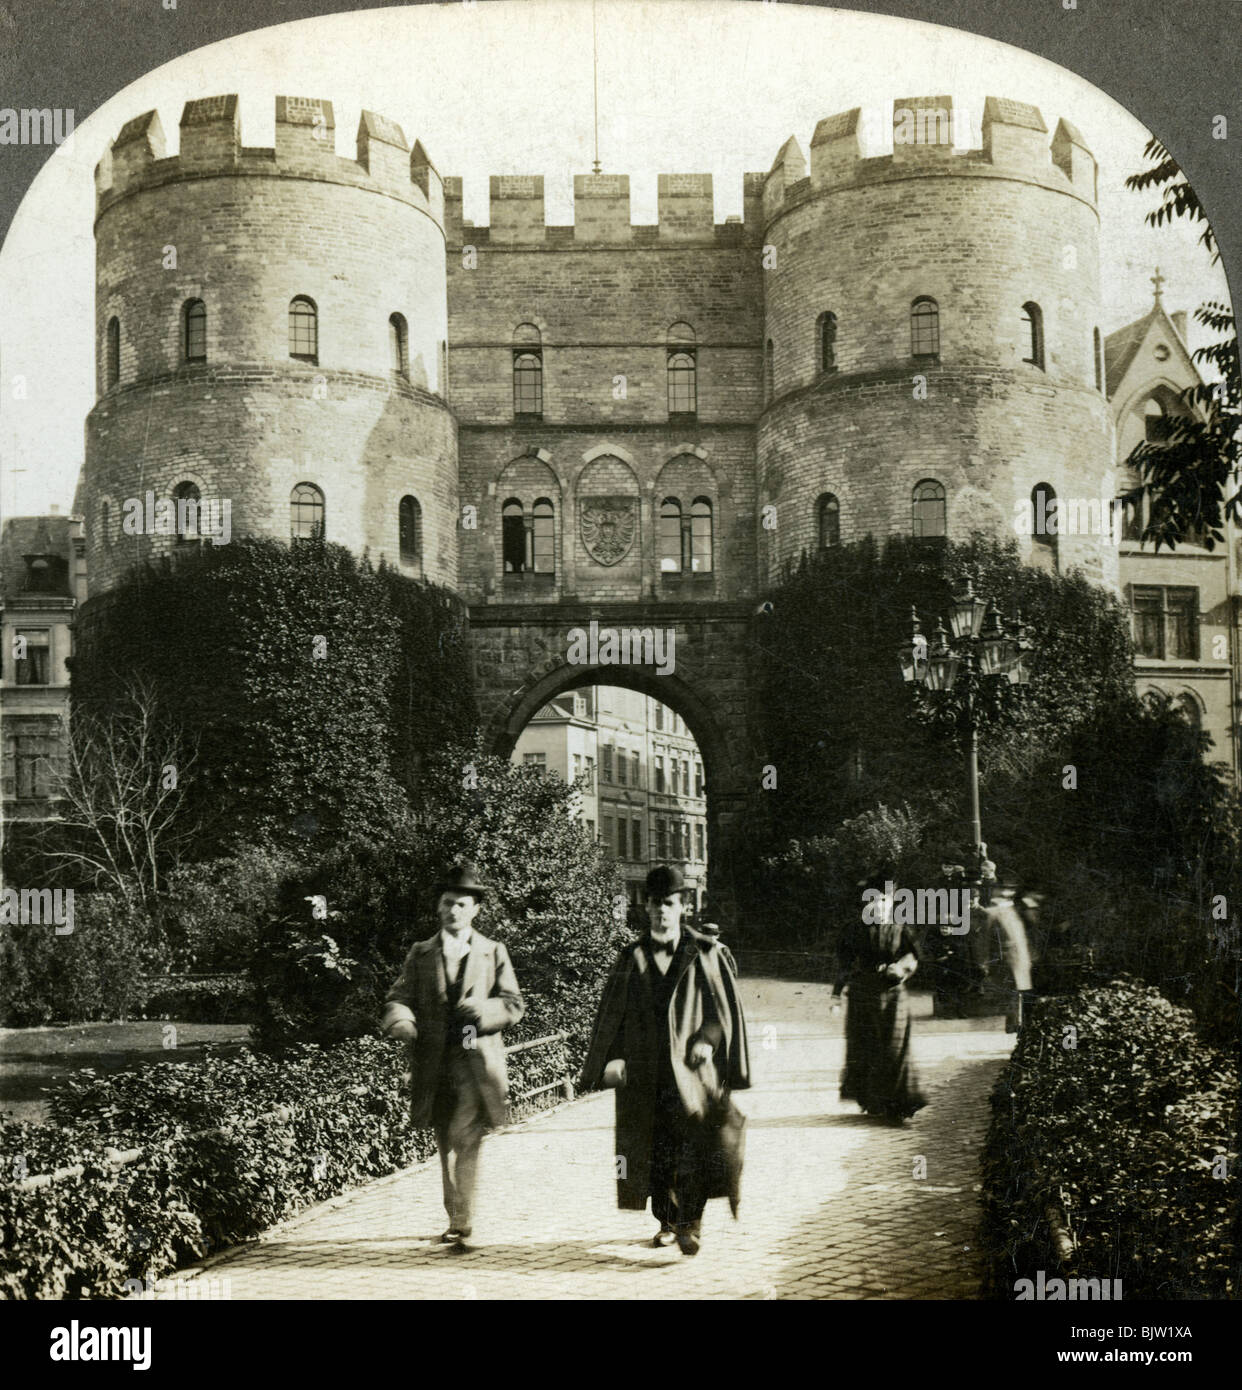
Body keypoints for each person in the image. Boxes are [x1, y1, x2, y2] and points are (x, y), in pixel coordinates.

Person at [580, 865, 751, 1256]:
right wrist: (615, 1057)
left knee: (692, 1146)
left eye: (669, 904)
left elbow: (721, 1012)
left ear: (682, 907)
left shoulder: (706, 954)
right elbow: (614, 1016)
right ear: (647, 908)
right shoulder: (631, 956)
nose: (660, 911)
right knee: (654, 1150)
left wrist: (707, 1040)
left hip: (691, 1072)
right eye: (655, 904)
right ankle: (667, 1221)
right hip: (644, 1072)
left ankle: (690, 1223)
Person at [379, 862, 524, 1247]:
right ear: (438, 907)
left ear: (475, 909)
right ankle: (454, 1215)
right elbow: (398, 997)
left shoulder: (493, 952)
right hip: (434, 1063)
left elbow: (513, 1003)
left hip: (476, 1065)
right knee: (444, 1143)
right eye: (447, 903)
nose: (453, 911)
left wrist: (484, 1012)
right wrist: (402, 1020)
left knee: (467, 1137)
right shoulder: (421, 953)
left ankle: (463, 1219)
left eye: (461, 904)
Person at [832, 871, 928, 1124]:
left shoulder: (901, 928)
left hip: (894, 996)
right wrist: (836, 995)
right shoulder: (853, 929)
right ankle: (872, 1100)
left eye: (884, 900)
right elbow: (844, 964)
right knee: (866, 1046)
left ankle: (898, 1105)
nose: (878, 905)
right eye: (873, 900)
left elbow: (914, 957)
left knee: (894, 1047)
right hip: (862, 994)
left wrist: (901, 969)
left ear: (891, 902)